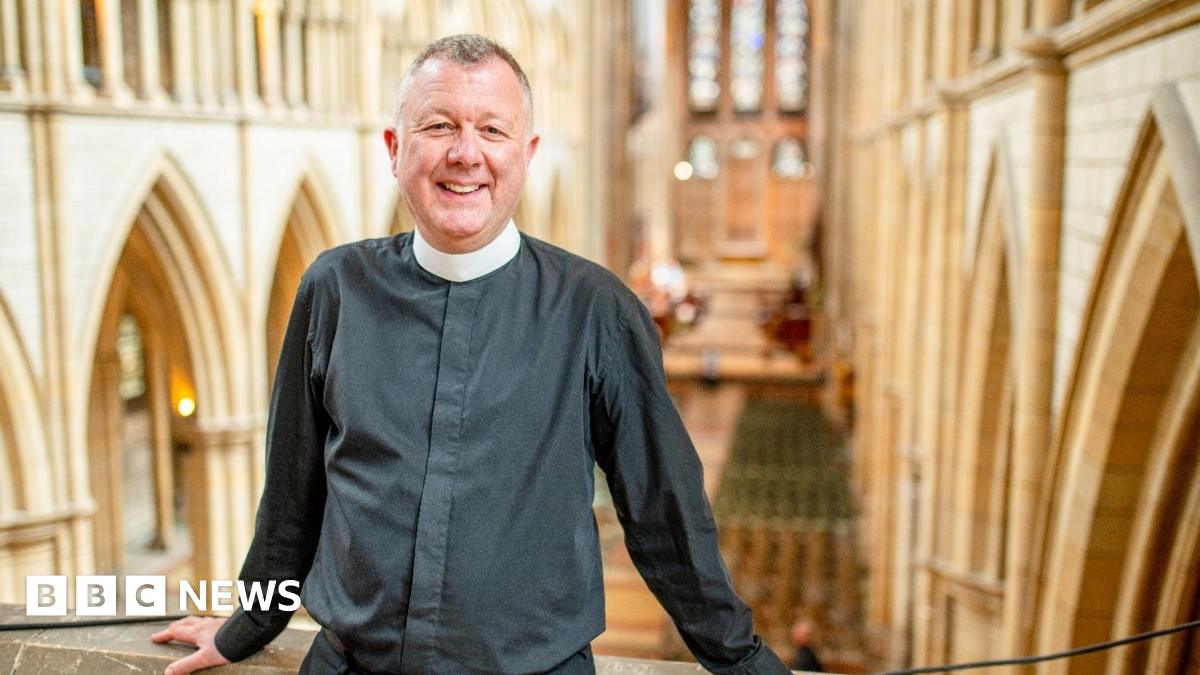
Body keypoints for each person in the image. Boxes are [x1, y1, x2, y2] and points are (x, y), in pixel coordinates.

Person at [150, 34, 790, 675]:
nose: (465, 154)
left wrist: (742, 661)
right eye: (438, 126)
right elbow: (292, 493)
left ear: (527, 154)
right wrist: (250, 623)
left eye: (492, 130)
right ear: (395, 150)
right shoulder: (334, 288)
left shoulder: (595, 309)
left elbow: (663, 510)